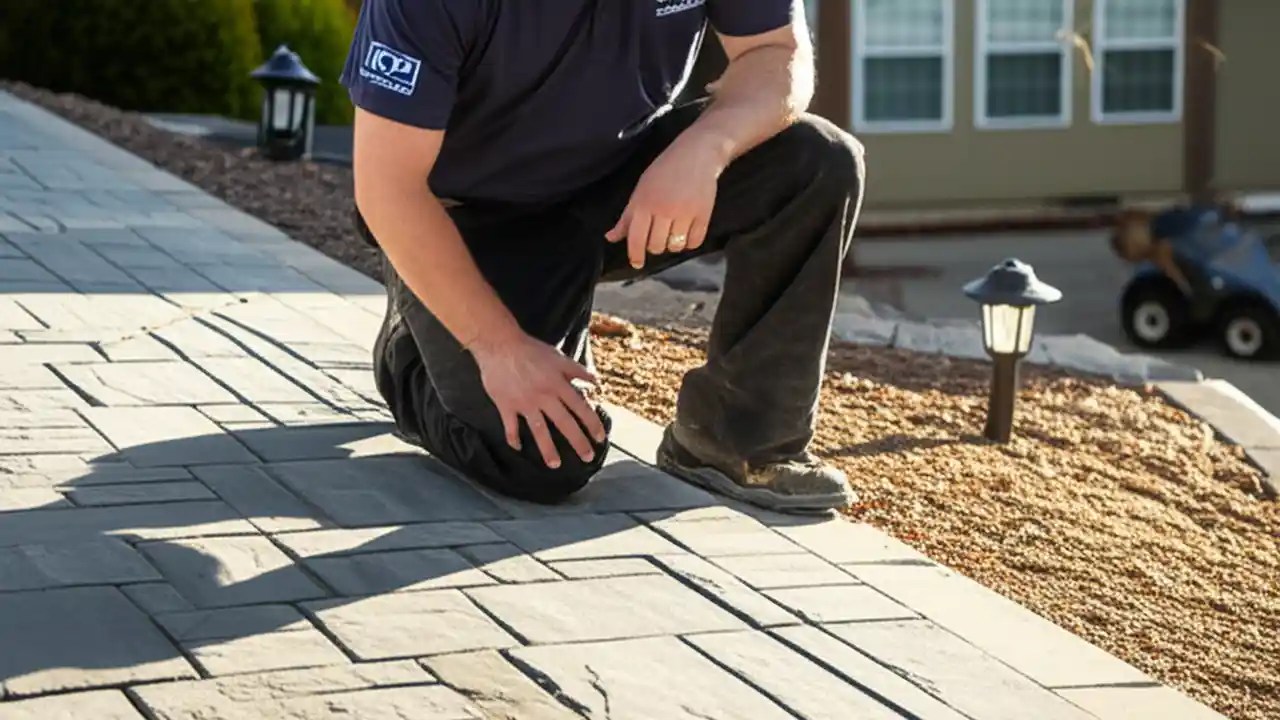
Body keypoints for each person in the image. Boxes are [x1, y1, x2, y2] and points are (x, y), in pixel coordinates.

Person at [342, 0, 866, 513]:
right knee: (544, 458)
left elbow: (775, 52)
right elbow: (389, 190)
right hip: (472, 217)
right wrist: (498, 347)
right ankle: (409, 359)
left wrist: (709, 146)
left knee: (818, 161)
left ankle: (739, 442)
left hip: (619, 183)